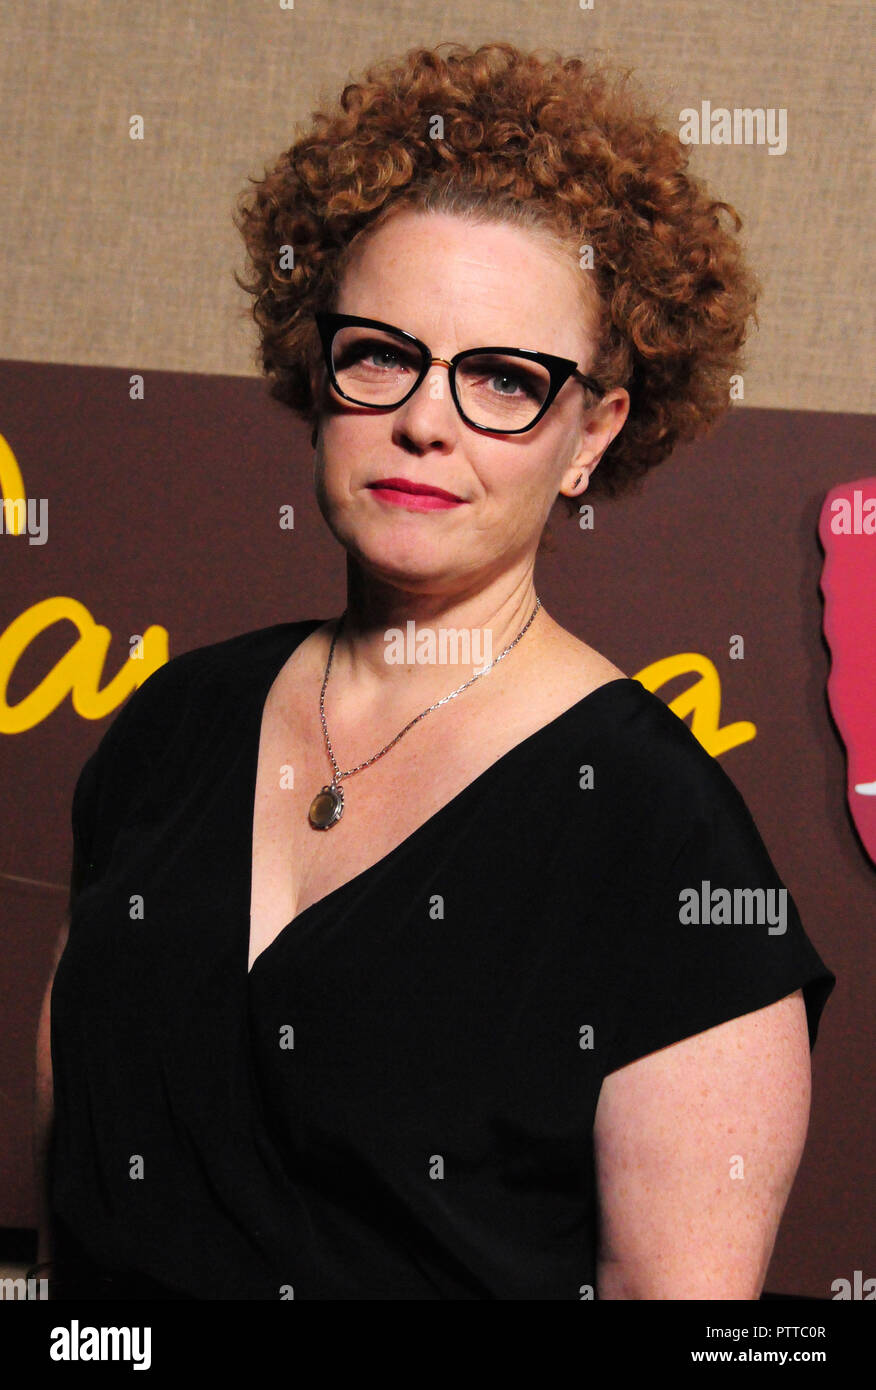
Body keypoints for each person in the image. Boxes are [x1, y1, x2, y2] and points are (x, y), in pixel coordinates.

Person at [36, 40, 835, 1300]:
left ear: (591, 434)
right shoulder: (167, 729)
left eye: (506, 379)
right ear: (320, 364)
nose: (427, 419)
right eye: (381, 354)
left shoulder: (664, 843)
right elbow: (76, 1192)